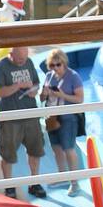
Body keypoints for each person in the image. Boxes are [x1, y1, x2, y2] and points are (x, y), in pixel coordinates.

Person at [0, 45, 47, 199]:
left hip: (30, 114)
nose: (22, 61)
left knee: (35, 151)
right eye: (19, 59)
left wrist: (34, 90)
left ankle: (34, 182)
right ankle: (9, 186)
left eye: (24, 57)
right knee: (7, 154)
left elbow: (36, 83)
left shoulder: (29, 62)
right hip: (10, 118)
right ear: (11, 54)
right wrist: (19, 85)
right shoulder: (0, 67)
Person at [39, 49, 84, 196]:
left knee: (68, 150)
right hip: (52, 117)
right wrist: (44, 94)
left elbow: (79, 99)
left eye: (58, 64)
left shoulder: (74, 77)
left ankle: (74, 182)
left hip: (67, 118)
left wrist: (62, 95)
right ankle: (62, 176)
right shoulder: (48, 76)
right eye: (52, 65)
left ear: (64, 63)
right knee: (57, 149)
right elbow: (41, 99)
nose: (55, 68)